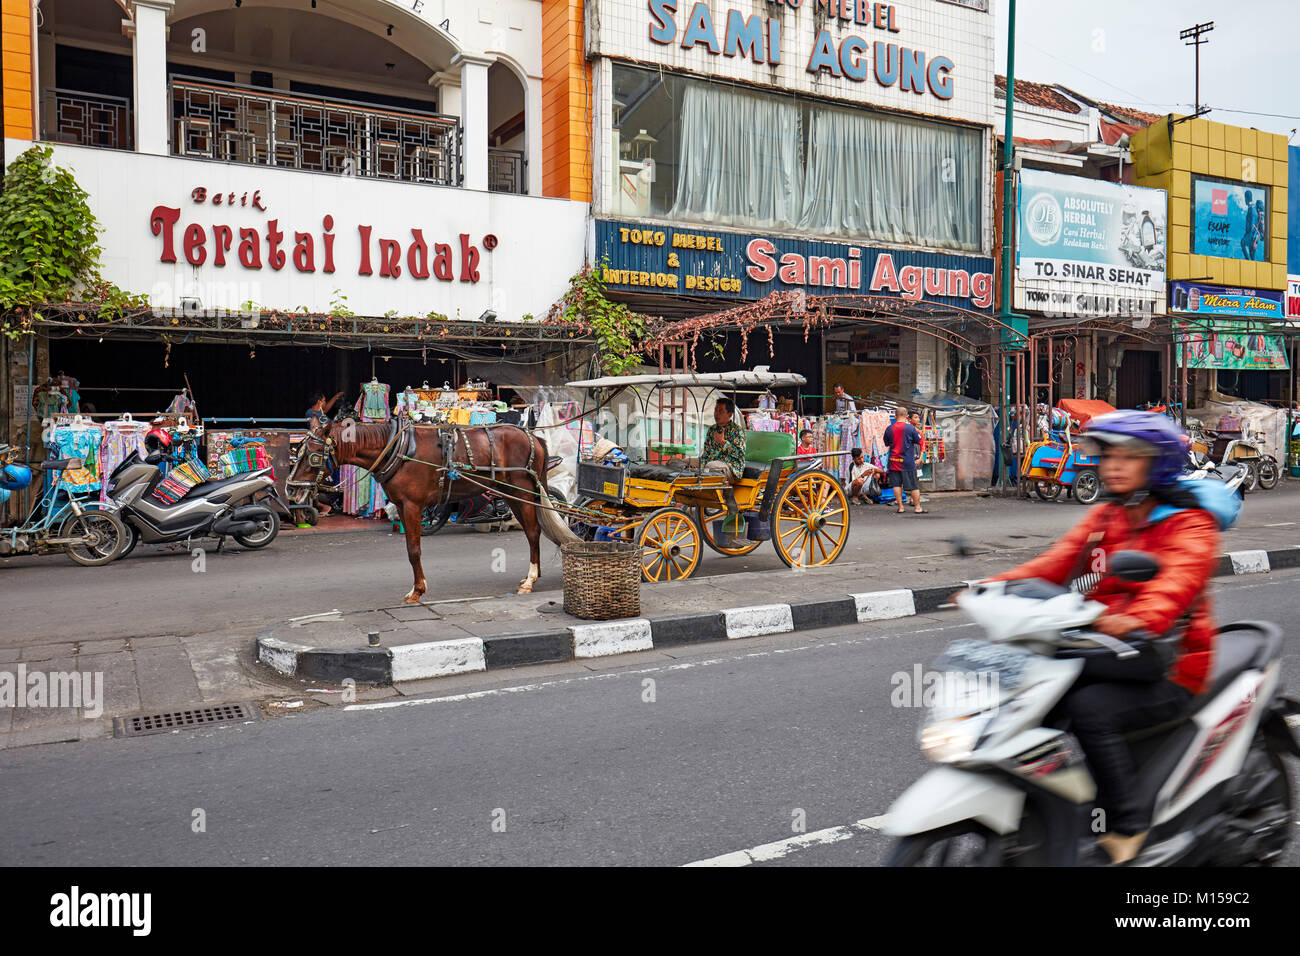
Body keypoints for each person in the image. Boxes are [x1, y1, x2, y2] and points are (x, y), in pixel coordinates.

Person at [975, 411, 1238, 865]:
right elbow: (1055, 564)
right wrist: (994, 586)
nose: (1112, 465)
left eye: (1128, 457)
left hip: (1169, 658)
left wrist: (1136, 618)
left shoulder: (1189, 524)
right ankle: (1051, 805)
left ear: (1156, 464)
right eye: (1108, 455)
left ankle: (1128, 825)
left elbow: (1176, 583)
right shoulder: (1107, 514)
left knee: (1088, 709)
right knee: (1029, 687)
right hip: (1107, 647)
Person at [677, 397, 746, 513]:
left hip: (731, 467)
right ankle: (682, 498)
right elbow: (706, 453)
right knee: (679, 462)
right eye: (715, 410)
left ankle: (716, 497)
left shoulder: (736, 430)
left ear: (729, 414)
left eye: (721, 411)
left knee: (711, 466)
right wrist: (695, 464)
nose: (716, 414)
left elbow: (740, 454)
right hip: (708, 462)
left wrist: (723, 442)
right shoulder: (712, 429)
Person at [883, 409, 925, 514]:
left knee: (896, 485)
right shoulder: (911, 428)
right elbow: (919, 441)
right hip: (907, 461)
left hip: (894, 461)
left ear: (895, 416)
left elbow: (886, 443)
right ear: (906, 416)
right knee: (914, 485)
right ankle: (917, 507)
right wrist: (920, 457)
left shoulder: (889, 429)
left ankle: (901, 507)